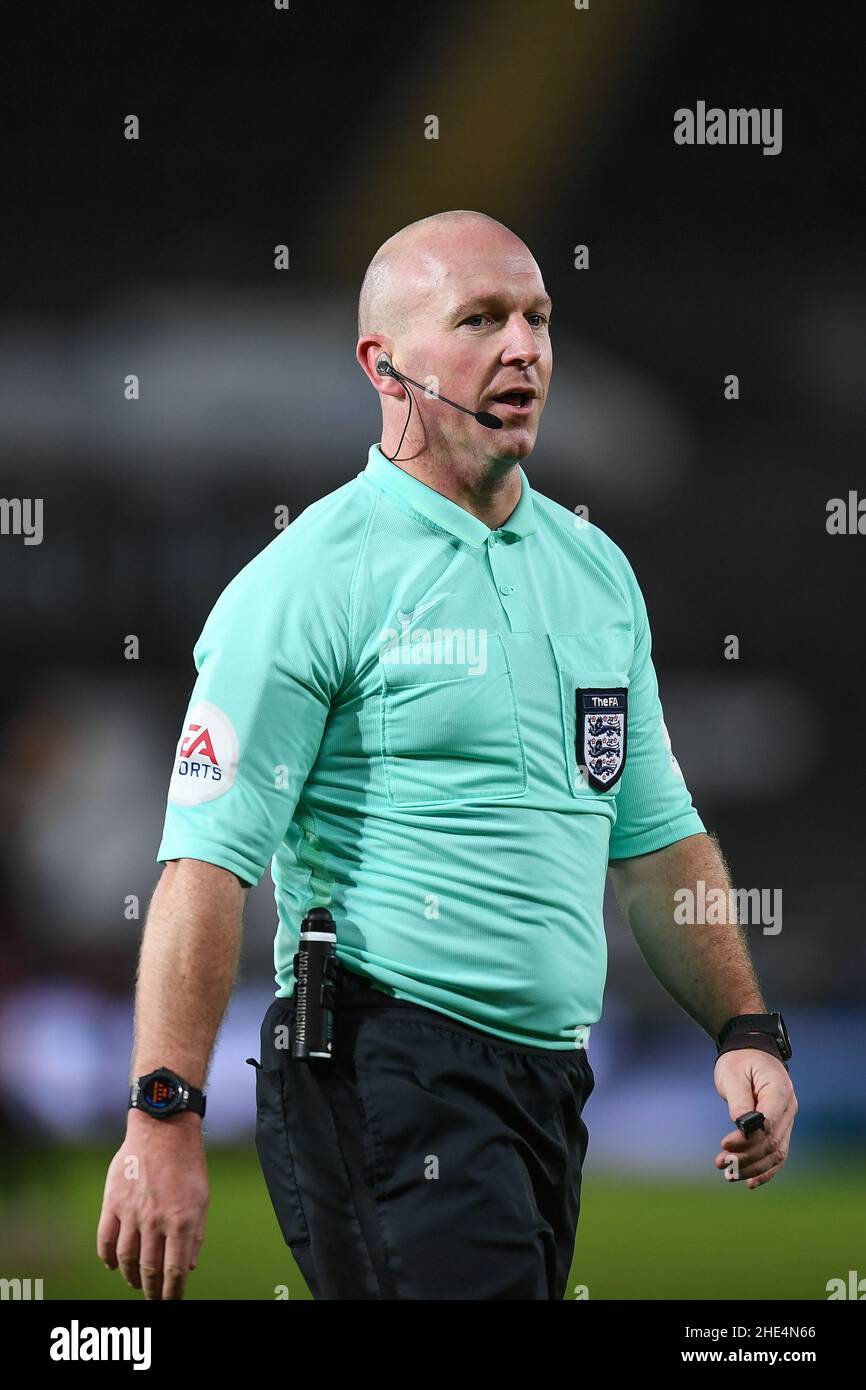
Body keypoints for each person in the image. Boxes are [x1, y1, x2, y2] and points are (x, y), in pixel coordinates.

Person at [96, 209, 798, 1301]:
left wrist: (743, 1028)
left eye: (537, 318)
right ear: (384, 365)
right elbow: (206, 864)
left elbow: (658, 837)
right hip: (381, 1068)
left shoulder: (596, 572)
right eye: (479, 319)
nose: (523, 347)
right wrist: (163, 1114)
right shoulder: (306, 583)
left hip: (549, 1082)